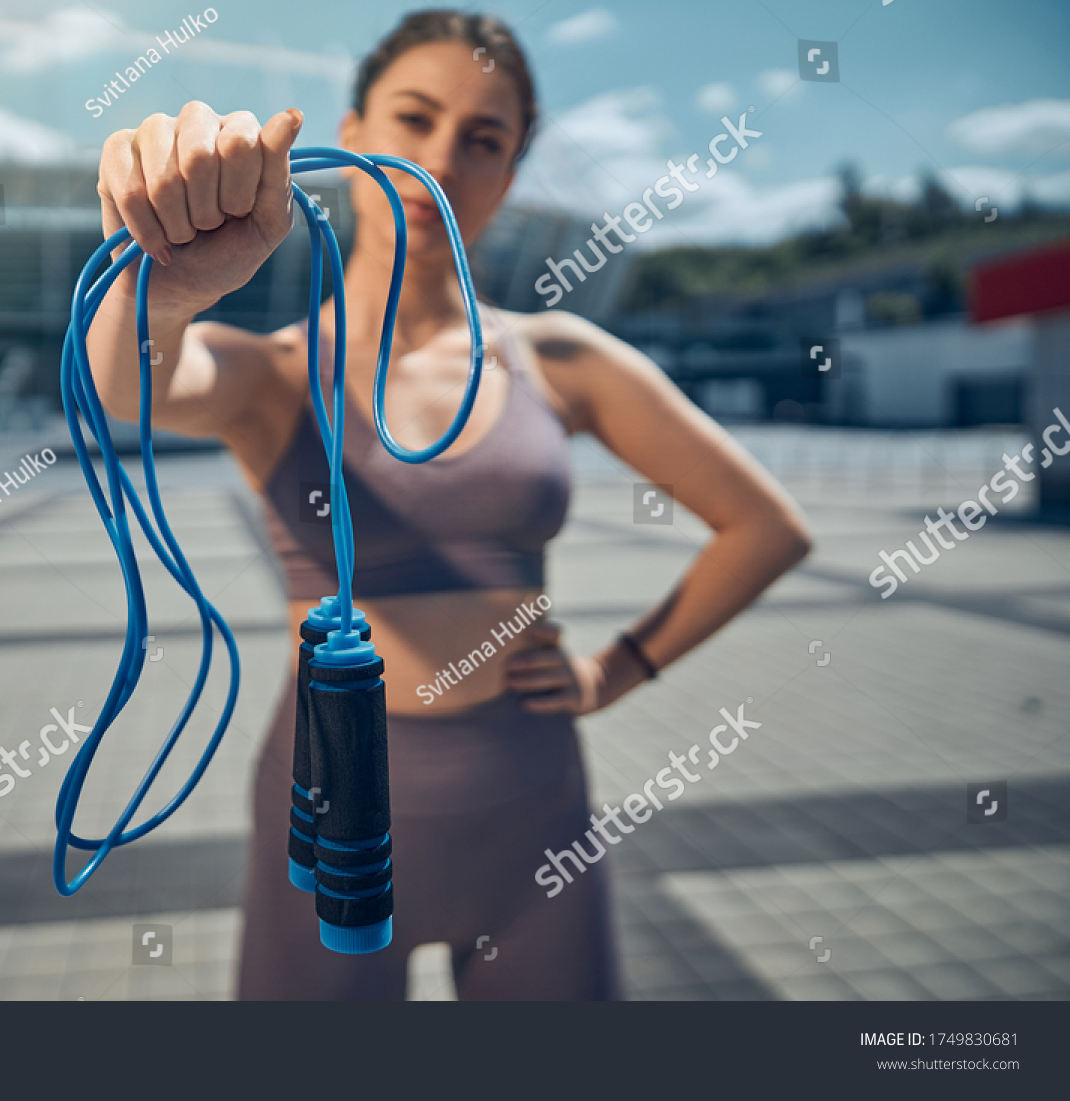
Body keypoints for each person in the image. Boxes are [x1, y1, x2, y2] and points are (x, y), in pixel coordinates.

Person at [86, 9, 812, 1000]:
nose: (442, 158)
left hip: (534, 808)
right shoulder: (281, 373)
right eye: (414, 118)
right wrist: (160, 294)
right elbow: (136, 385)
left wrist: (618, 670)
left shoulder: (560, 356)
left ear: (510, 177)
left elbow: (768, 525)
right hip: (332, 809)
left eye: (484, 140)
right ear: (351, 134)